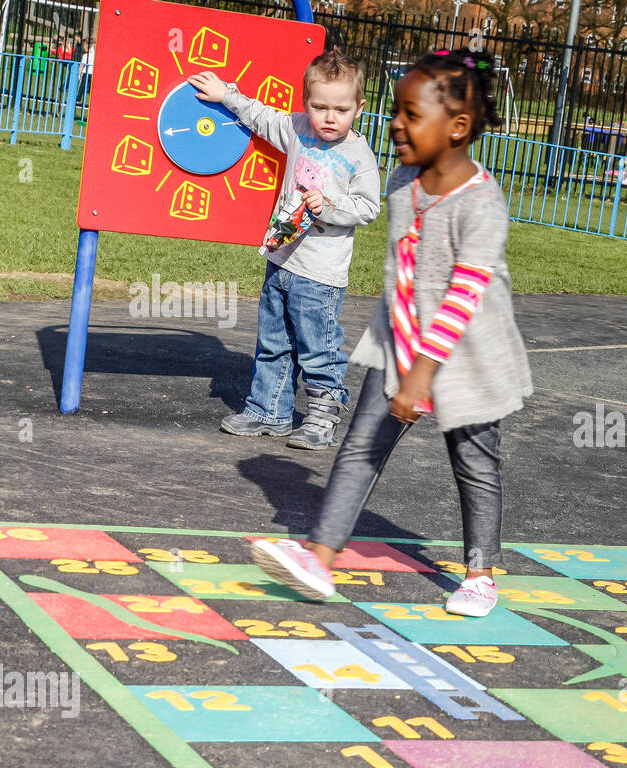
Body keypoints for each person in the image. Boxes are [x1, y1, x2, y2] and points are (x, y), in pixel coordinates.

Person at [248, 47, 532, 618]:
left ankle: (480, 574)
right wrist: (402, 366)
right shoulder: (404, 180)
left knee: (474, 463)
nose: (395, 124)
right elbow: (402, 275)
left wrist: (422, 377)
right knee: (360, 448)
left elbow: (463, 297)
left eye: (411, 114)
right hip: (403, 335)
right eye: (396, 111)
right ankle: (320, 559)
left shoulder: (483, 203)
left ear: (456, 127)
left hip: (472, 352)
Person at [189, 50, 381, 449]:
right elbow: (259, 116)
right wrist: (225, 94)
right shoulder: (297, 129)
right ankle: (268, 411)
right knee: (273, 341)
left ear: (359, 109)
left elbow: (368, 208)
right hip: (281, 258)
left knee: (318, 348)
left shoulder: (359, 156)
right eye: (320, 106)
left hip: (321, 273)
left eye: (341, 109)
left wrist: (328, 205)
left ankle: (321, 419)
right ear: (305, 103)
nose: (330, 117)